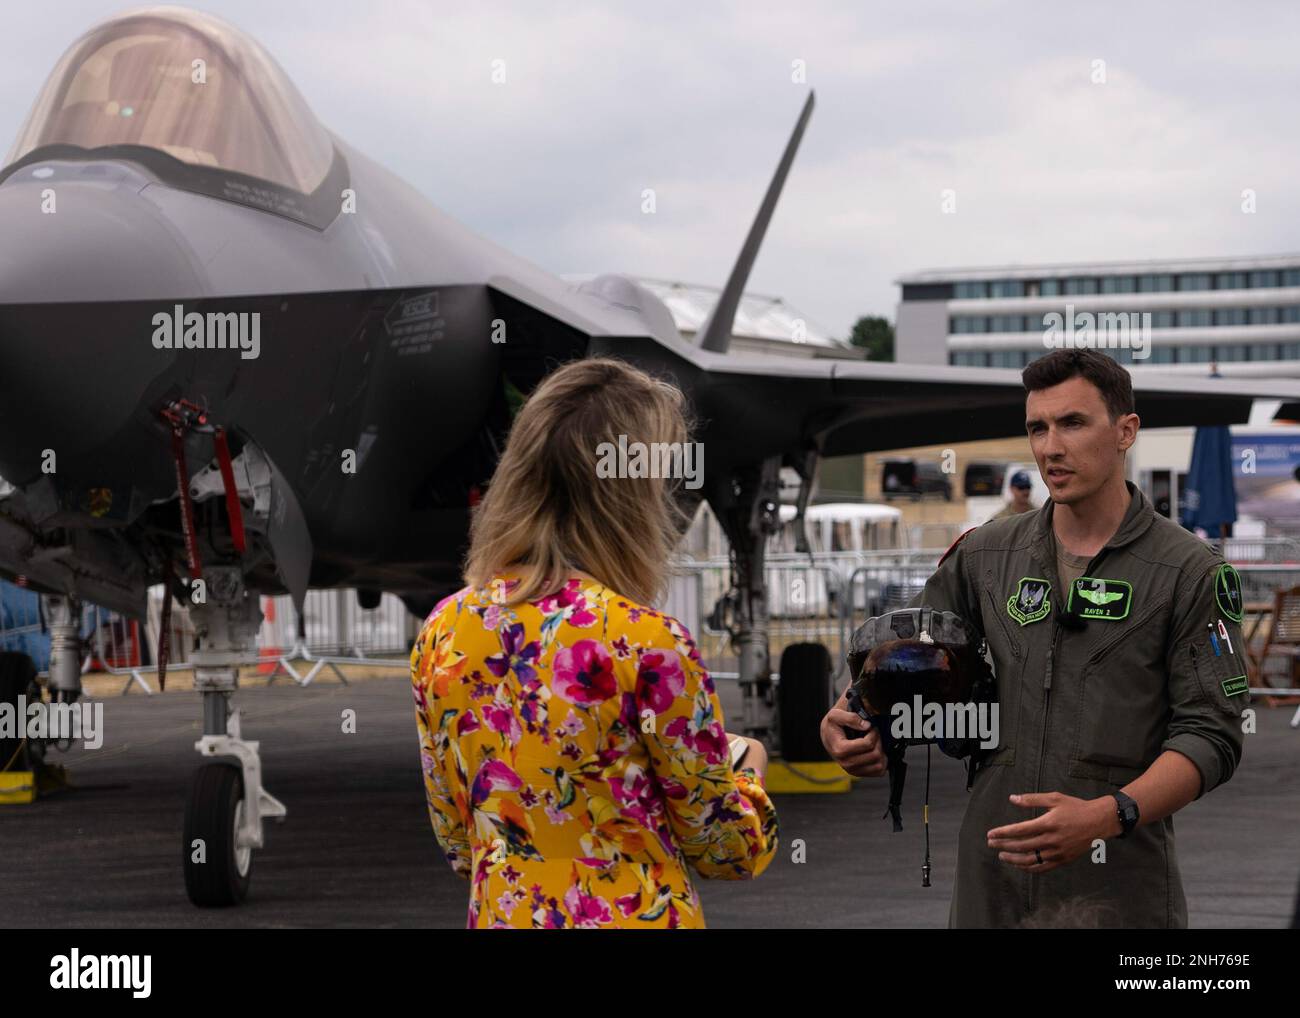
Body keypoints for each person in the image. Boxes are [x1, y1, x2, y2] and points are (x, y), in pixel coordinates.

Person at [820, 349, 1249, 928]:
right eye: (1037, 428)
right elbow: (905, 658)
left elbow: (1211, 736)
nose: (1050, 447)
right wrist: (850, 718)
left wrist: (1108, 814)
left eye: (1072, 423)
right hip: (991, 880)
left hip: (1120, 886)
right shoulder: (985, 555)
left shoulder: (1190, 571)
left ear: (1126, 432)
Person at [410, 357, 778, 928]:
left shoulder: (444, 631)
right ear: (629, 496)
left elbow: (459, 842)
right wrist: (749, 769)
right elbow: (726, 849)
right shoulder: (648, 644)